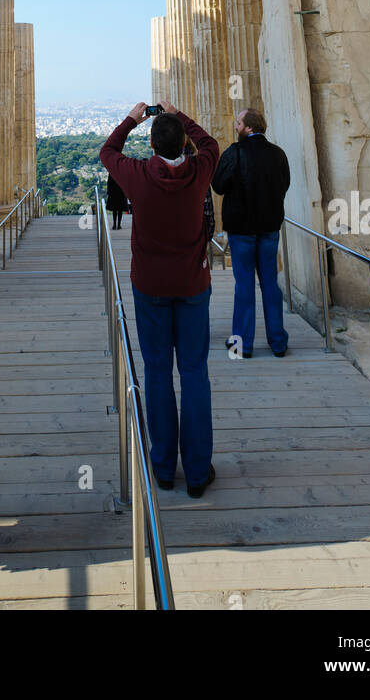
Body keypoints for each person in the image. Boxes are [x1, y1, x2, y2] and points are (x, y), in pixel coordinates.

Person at [100, 100, 219, 498]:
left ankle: (164, 465)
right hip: (192, 284)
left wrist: (134, 119)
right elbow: (210, 144)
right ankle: (198, 471)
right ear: (183, 142)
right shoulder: (200, 170)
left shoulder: (138, 175)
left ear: (150, 144)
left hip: (150, 285)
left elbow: (108, 151)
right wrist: (180, 114)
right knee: (194, 372)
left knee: (156, 371)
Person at [211, 108, 291, 360]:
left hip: (242, 229)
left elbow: (218, 185)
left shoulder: (235, 152)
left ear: (247, 127)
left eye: (238, 122)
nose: (235, 126)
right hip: (269, 227)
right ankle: (278, 342)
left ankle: (243, 344)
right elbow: (284, 184)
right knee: (270, 283)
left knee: (244, 285)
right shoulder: (278, 153)